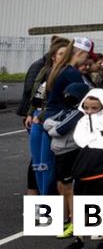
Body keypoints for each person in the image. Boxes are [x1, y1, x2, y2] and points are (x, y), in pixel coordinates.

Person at [58, 88, 103, 249]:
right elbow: (80, 139)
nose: (90, 111)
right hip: (83, 164)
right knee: (80, 202)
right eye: (87, 107)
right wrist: (95, 138)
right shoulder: (82, 120)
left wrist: (94, 139)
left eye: (94, 108)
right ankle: (79, 239)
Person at [43, 81, 90, 238]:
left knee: (70, 188)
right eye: (66, 94)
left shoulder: (79, 112)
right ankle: (64, 218)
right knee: (61, 187)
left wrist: (54, 126)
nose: (67, 97)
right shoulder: (66, 110)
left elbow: (60, 130)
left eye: (71, 95)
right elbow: (46, 123)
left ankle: (75, 223)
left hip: (70, 152)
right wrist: (54, 126)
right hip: (58, 152)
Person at [27, 37, 70, 199]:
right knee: (37, 164)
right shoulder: (45, 71)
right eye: (60, 54)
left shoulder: (67, 74)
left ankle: (48, 200)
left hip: (52, 120)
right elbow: (37, 93)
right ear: (53, 56)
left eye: (66, 54)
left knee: (48, 164)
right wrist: (31, 113)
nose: (63, 57)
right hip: (38, 117)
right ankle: (42, 205)